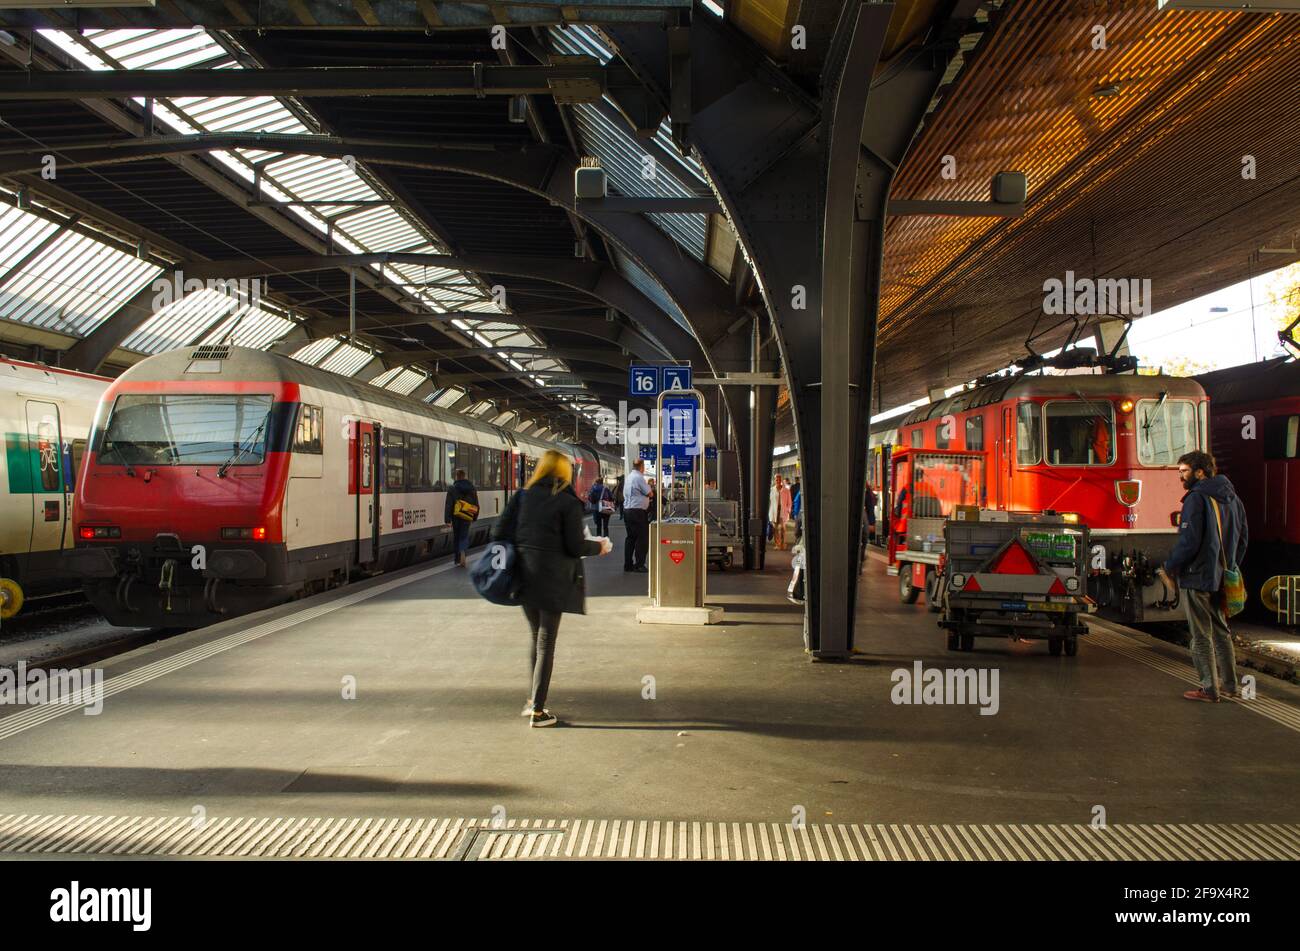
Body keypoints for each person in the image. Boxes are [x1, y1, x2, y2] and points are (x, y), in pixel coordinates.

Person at [493, 449, 611, 728]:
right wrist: (601, 546)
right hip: (554, 579)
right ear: (565, 472)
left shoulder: (522, 496)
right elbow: (575, 545)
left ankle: (532, 701)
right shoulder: (567, 502)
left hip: (524, 576)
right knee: (546, 641)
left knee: (537, 638)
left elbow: (499, 532)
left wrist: (524, 545)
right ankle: (538, 710)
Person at [1157, 450, 1248, 703]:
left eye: (1184, 471)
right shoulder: (1232, 498)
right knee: (1222, 632)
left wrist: (1171, 566)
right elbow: (1243, 538)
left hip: (1197, 578)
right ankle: (1230, 685)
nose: (1180, 477)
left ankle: (1209, 689)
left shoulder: (1196, 498)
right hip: (1222, 576)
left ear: (1200, 472)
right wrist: (1230, 566)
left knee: (1200, 636)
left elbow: (1189, 542)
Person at [444, 467, 478, 567]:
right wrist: (475, 516)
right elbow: (476, 503)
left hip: (456, 515)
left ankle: (457, 558)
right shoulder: (471, 488)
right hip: (467, 515)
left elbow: (449, 504)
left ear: (457, 477)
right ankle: (463, 552)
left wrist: (447, 519)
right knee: (464, 535)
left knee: (457, 536)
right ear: (465, 476)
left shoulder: (452, 488)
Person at [623, 460, 652, 572]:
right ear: (641, 466)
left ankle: (628, 564)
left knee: (630, 538)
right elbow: (649, 493)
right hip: (637, 512)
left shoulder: (629, 477)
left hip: (628, 511)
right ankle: (639, 565)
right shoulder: (639, 478)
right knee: (642, 538)